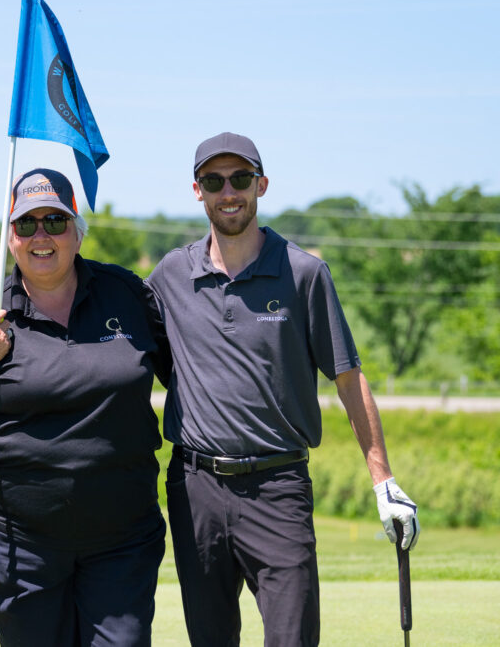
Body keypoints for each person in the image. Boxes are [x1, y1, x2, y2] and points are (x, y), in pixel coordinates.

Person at [146, 132, 421, 646]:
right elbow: (151, 360)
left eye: (240, 179)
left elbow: (348, 376)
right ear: (197, 190)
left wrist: (383, 481)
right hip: (195, 489)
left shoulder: (304, 273)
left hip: (278, 486)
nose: (228, 192)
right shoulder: (170, 275)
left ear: (261, 185)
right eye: (214, 181)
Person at [0, 169, 169, 646]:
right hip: (21, 544)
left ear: (77, 231)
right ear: (10, 237)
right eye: (26, 224)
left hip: (123, 537)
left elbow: (183, 373)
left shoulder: (126, 293)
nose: (41, 235)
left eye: (55, 221)